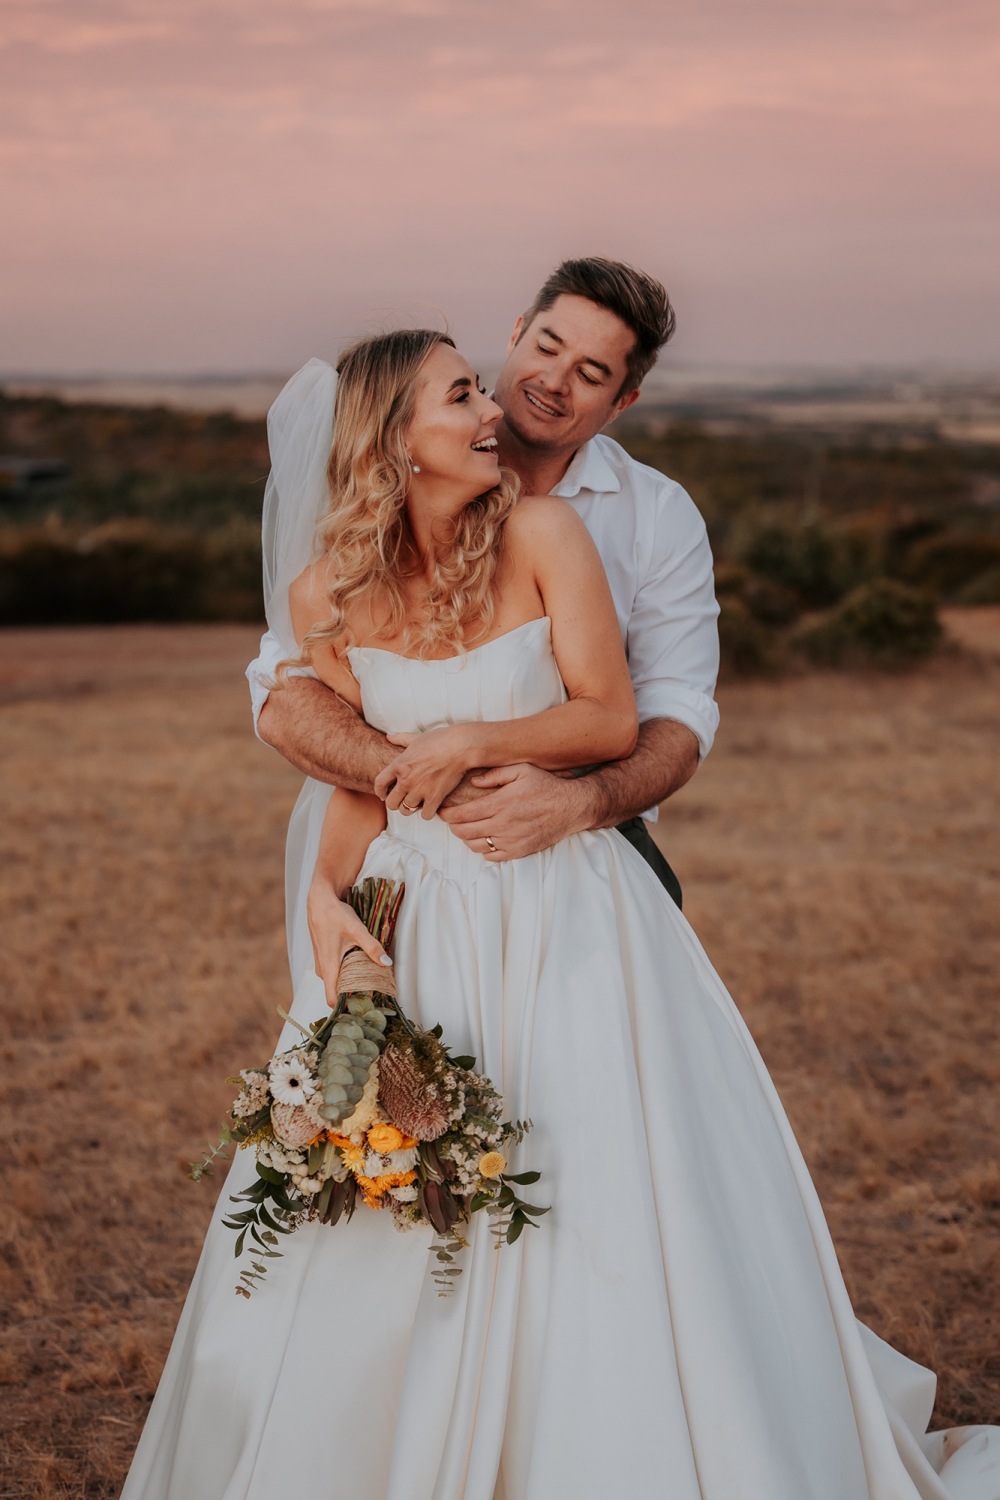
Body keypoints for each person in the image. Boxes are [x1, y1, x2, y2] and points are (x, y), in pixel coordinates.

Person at [121, 328, 999, 1500]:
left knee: (588, 1174)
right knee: (398, 1167)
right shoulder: (325, 591)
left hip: (563, 906)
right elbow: (355, 779)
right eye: (461, 394)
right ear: (394, 440)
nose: (492, 409)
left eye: (480, 389)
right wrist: (327, 899)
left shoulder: (540, 534)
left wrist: (470, 741)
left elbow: (606, 714)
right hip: (417, 922)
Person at [247, 258, 720, 969]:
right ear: (518, 331)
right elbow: (286, 695)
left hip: (577, 860)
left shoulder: (646, 515)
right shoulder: (349, 549)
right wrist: (339, 866)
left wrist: (578, 802)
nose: (552, 382)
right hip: (413, 879)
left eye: (591, 374)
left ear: (623, 400)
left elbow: (673, 712)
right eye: (548, 347)